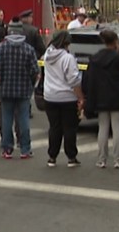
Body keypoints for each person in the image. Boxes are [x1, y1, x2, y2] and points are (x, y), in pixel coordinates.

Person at [82, 29, 119, 169]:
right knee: (117, 128)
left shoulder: (95, 58)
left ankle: (101, 159)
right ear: (115, 41)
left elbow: (88, 79)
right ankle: (117, 159)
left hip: (100, 97)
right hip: (117, 96)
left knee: (102, 128)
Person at [0, 19, 38, 159]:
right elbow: (35, 70)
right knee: (23, 119)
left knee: (6, 120)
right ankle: (25, 149)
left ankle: (7, 148)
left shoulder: (0, 48)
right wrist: (30, 83)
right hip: (23, 90)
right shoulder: (28, 49)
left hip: (5, 89)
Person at [42, 30, 84, 167]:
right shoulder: (68, 58)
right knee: (69, 128)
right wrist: (81, 97)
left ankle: (52, 157)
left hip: (50, 96)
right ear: (67, 43)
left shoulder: (47, 55)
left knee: (54, 127)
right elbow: (73, 80)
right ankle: (71, 157)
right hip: (67, 97)